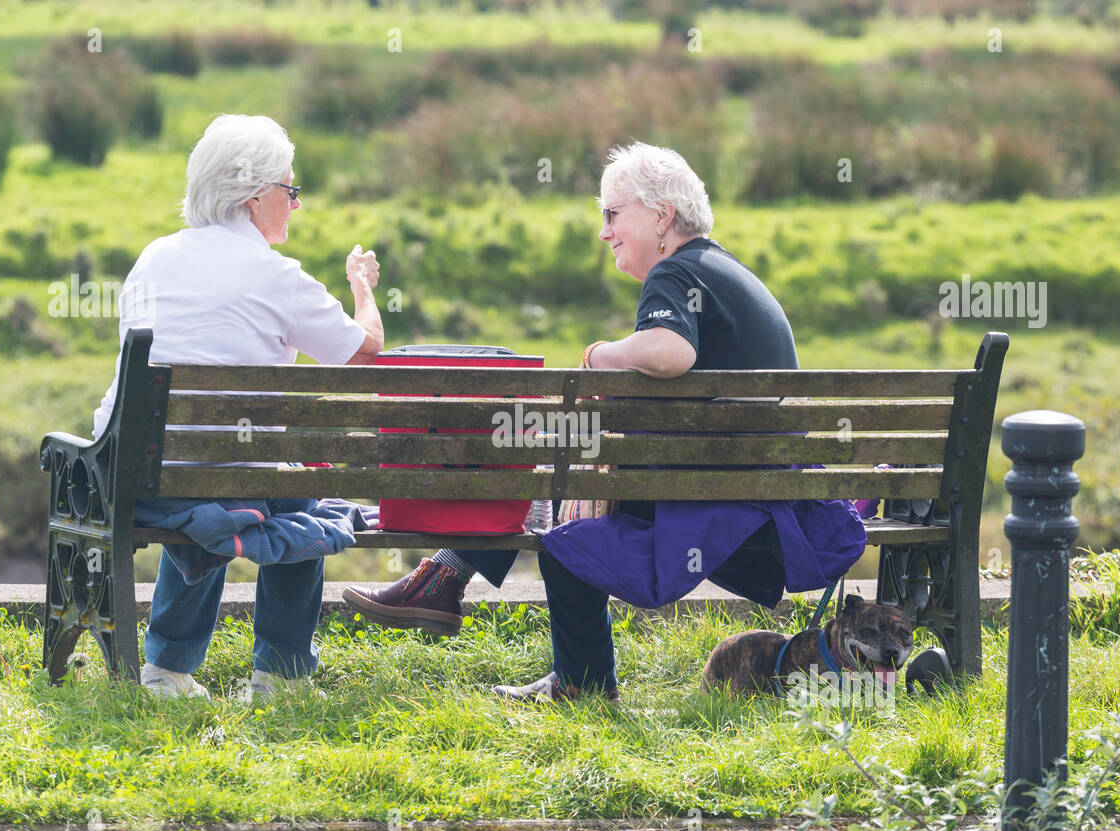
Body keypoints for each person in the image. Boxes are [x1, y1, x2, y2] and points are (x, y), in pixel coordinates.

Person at [343, 142, 864, 701]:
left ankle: (564, 668)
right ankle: (442, 580)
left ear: (663, 216)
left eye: (613, 214)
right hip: (756, 496)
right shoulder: (723, 271)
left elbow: (671, 353)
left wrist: (598, 353)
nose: (604, 231)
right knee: (550, 460)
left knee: (554, 509)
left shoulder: (675, 275)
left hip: (722, 507)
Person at [92, 114, 384, 700]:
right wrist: (363, 289)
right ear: (255, 196)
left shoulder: (153, 256)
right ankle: (283, 673)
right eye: (290, 190)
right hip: (225, 474)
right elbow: (366, 353)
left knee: (210, 479)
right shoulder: (277, 277)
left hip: (131, 470)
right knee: (299, 497)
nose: (295, 205)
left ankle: (166, 670)